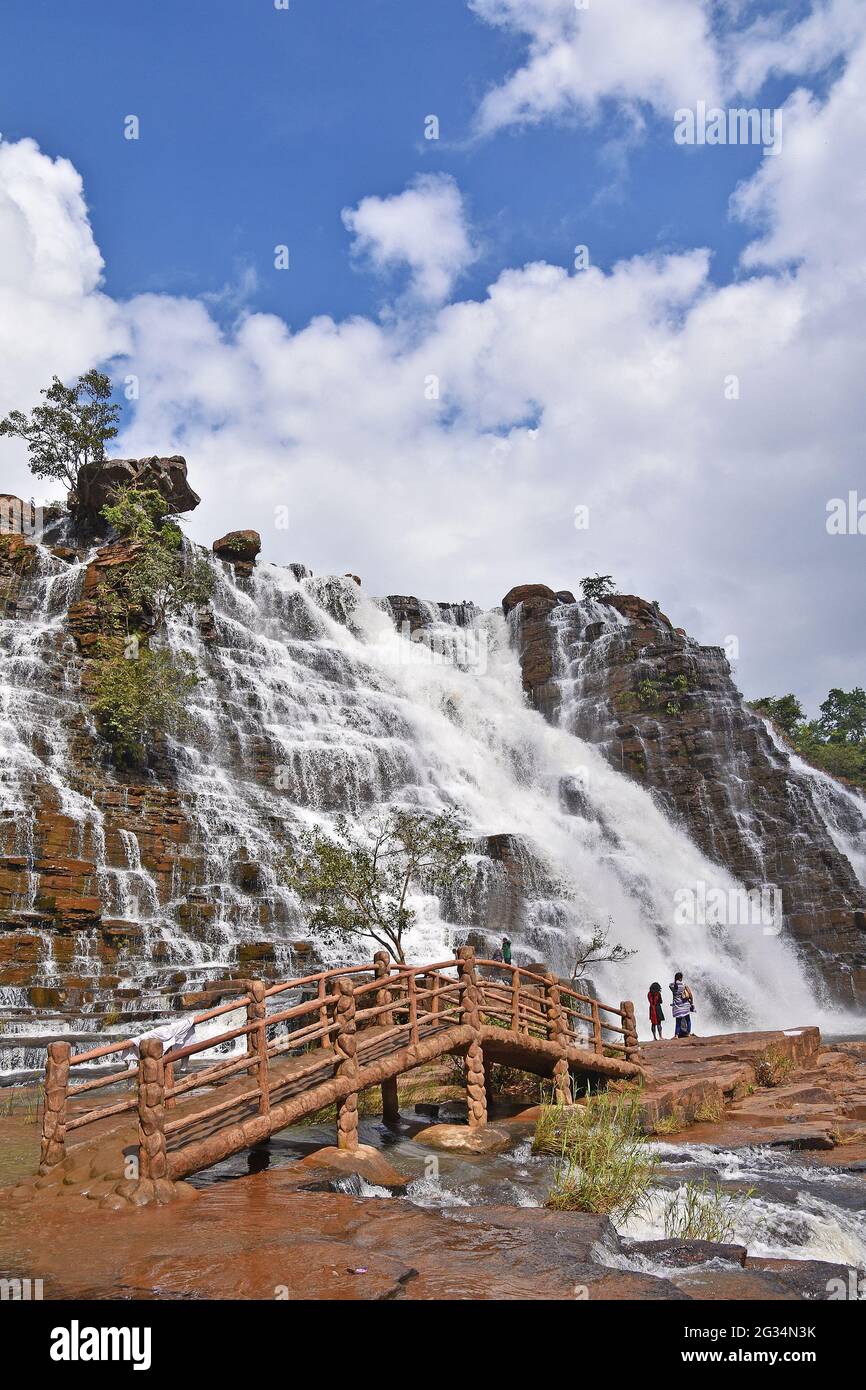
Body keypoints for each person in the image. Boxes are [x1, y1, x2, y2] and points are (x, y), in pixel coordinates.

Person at [669, 971, 695, 1037]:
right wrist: (691, 1003)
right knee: (688, 1019)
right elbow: (690, 995)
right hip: (685, 1005)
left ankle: (676, 1035)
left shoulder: (672, 985)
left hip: (677, 1006)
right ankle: (688, 1033)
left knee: (678, 1021)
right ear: (681, 978)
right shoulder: (684, 985)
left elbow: (670, 986)